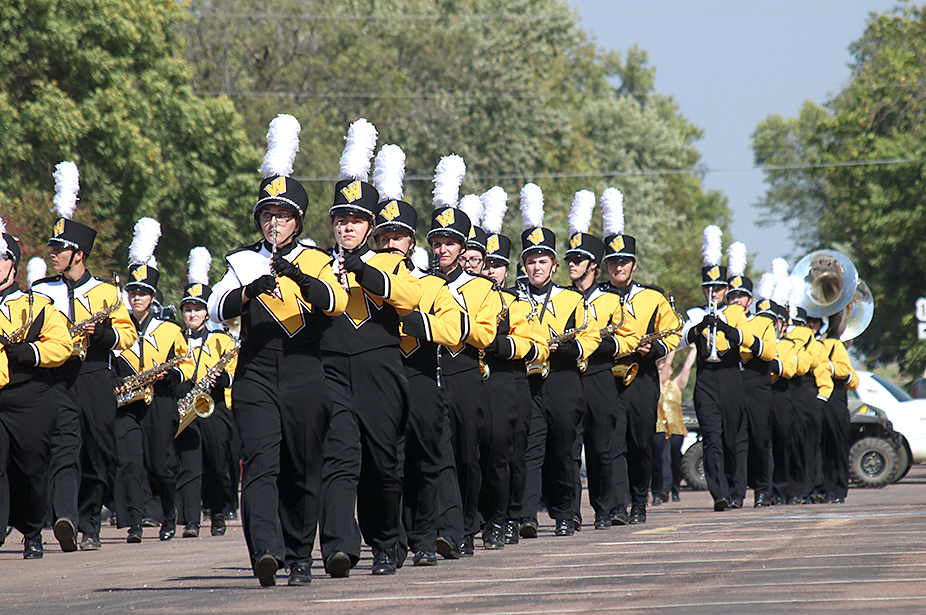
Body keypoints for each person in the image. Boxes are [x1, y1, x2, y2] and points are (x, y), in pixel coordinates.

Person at [209, 115, 348, 586]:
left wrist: (299, 275)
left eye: (283, 216)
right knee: (262, 463)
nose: (274, 223)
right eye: (267, 215)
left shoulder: (317, 258)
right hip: (256, 369)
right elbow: (215, 308)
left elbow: (333, 302)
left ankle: (300, 555)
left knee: (302, 467)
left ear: (297, 222)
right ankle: (266, 553)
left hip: (306, 369)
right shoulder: (242, 261)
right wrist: (250, 291)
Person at [319, 124, 423, 578]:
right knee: (340, 457)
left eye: (355, 221)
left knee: (383, 460)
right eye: (340, 220)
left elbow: (408, 298)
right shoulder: (316, 261)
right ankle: (340, 546)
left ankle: (386, 541)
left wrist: (360, 267)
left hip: (379, 365)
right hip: (332, 368)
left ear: (371, 227)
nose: (346, 227)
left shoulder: (388, 261)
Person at [36, 161, 136, 551]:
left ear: (78, 254)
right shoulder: (43, 290)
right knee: (63, 446)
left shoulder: (108, 293)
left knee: (98, 448)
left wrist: (103, 333)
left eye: (59, 250)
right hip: (58, 376)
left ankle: (90, 521)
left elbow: (126, 336)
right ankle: (66, 517)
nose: (53, 255)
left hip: (95, 374)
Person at [519, 183, 600, 538]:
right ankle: (525, 516)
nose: (536, 267)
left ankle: (567, 512)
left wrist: (570, 349)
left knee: (565, 450)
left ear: (553, 265)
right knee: (529, 448)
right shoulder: (513, 299)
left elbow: (592, 335)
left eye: (542, 261)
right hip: (528, 381)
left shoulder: (571, 299)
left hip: (564, 381)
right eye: (530, 261)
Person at [599, 188, 681, 525]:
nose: (619, 267)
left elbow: (674, 332)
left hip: (642, 377)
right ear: (606, 265)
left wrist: (657, 349)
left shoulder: (653, 297)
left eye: (624, 261)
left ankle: (639, 501)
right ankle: (618, 505)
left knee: (639, 442)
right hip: (607, 376)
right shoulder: (596, 298)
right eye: (613, 262)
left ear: (633, 264)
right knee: (611, 443)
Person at [563, 191, 639, 530]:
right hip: (567, 376)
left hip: (598, 376)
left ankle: (606, 507)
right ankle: (570, 512)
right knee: (567, 446)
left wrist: (602, 345)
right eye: (569, 259)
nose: (572, 265)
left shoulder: (609, 300)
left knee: (601, 446)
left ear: (594, 265)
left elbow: (629, 338)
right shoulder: (562, 298)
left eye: (579, 259)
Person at [113, 218, 189, 544]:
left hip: (160, 401)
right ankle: (134, 523)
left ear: (153, 296)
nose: (137, 297)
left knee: (161, 466)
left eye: (144, 292)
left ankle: (169, 515)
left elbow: (186, 367)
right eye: (133, 291)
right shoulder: (120, 330)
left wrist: (170, 374)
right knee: (130, 464)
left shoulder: (170, 330)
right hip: (127, 405)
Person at [0, 227, 71, 558]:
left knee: (31, 468)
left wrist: (29, 353)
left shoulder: (37, 305)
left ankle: (32, 531)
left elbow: (62, 345)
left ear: (12, 264)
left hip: (30, 395)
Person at [679, 226, 754, 511]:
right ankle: (719, 493)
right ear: (703, 289)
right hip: (706, 379)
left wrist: (726, 328)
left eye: (718, 288)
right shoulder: (695, 313)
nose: (713, 293)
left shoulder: (736, 312)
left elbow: (747, 340)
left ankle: (737, 490)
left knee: (733, 437)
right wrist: (699, 328)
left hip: (731, 376)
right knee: (711, 436)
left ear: (726, 289)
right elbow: (681, 339)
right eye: (708, 289)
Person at [173, 247, 239, 538]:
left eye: (198, 309)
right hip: (185, 404)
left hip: (215, 407)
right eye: (188, 309)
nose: (192, 314)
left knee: (216, 463)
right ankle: (190, 520)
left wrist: (220, 378)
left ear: (206, 312)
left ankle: (218, 513)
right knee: (188, 464)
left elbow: (234, 372)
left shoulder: (222, 339)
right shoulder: (174, 337)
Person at [728, 281, 777, 508]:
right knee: (735, 440)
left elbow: (768, 353)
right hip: (734, 384)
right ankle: (736, 493)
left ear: (749, 300)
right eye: (732, 296)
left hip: (757, 384)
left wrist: (742, 337)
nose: (736, 300)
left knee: (760, 440)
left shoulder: (762, 322)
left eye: (741, 296)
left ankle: (762, 490)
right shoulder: (723, 319)